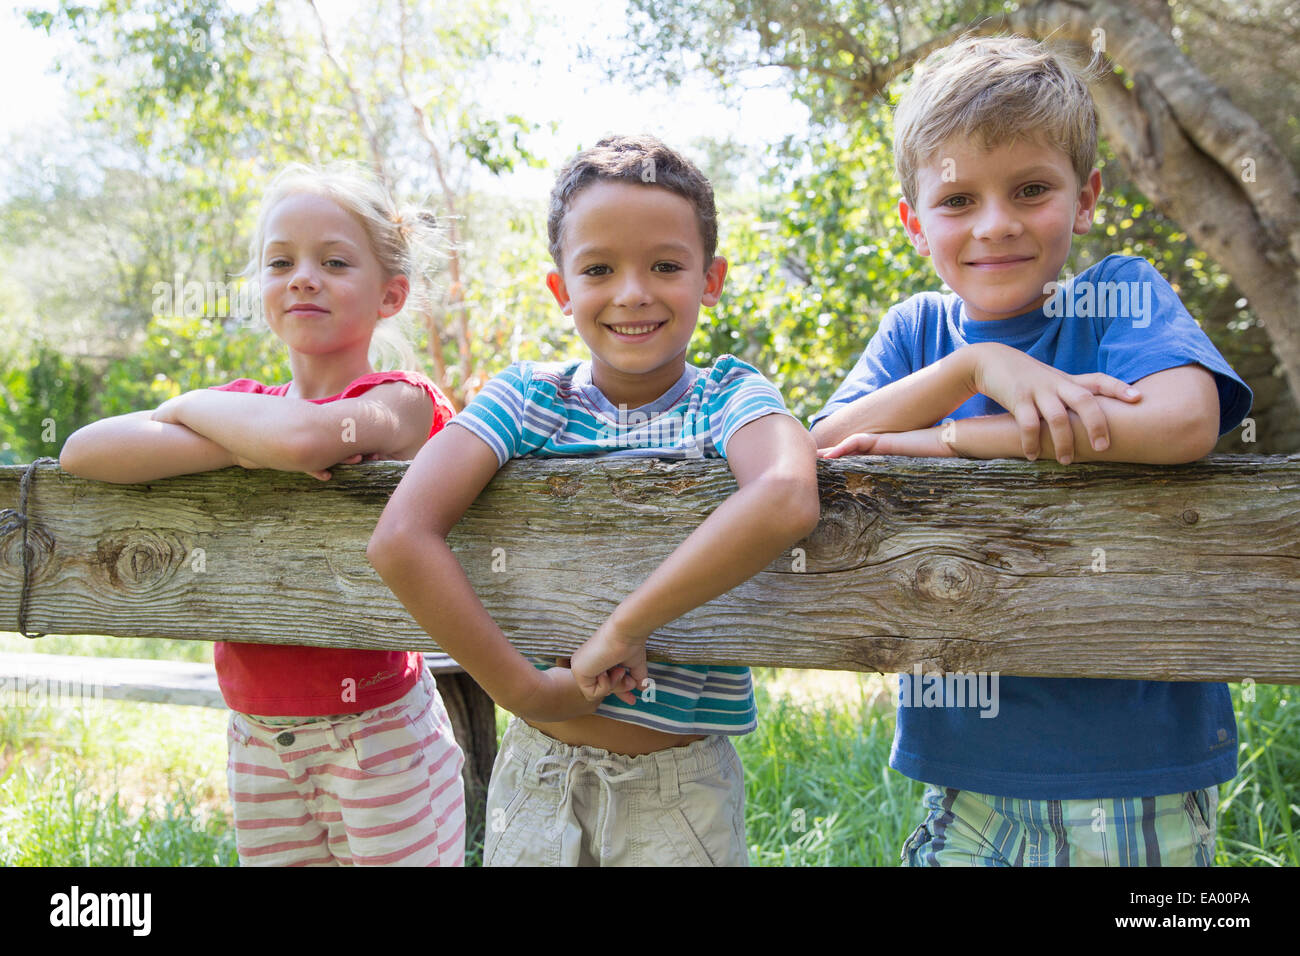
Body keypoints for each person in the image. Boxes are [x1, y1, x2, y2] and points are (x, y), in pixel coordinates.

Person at [812, 35, 1253, 866]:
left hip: (1133, 768)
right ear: (913, 222)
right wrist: (979, 367)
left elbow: (1184, 421)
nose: (996, 224)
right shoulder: (918, 335)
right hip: (965, 766)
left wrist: (954, 439)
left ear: (1085, 198)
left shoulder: (1118, 299)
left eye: (1031, 189)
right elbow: (817, 448)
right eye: (957, 201)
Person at [369, 134, 821, 866]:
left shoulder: (728, 397)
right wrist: (530, 693)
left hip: (678, 791)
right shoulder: (526, 398)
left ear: (712, 280)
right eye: (600, 269)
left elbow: (787, 493)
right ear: (561, 289)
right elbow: (400, 536)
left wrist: (624, 626)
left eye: (666, 266)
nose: (633, 292)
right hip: (536, 773)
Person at [59, 163, 467, 866]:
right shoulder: (242, 407)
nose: (303, 276)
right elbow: (81, 451)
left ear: (390, 295)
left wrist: (206, 425)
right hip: (257, 739)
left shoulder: (400, 401)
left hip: (378, 737)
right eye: (281, 262)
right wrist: (231, 435)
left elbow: (307, 438)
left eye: (334, 262)